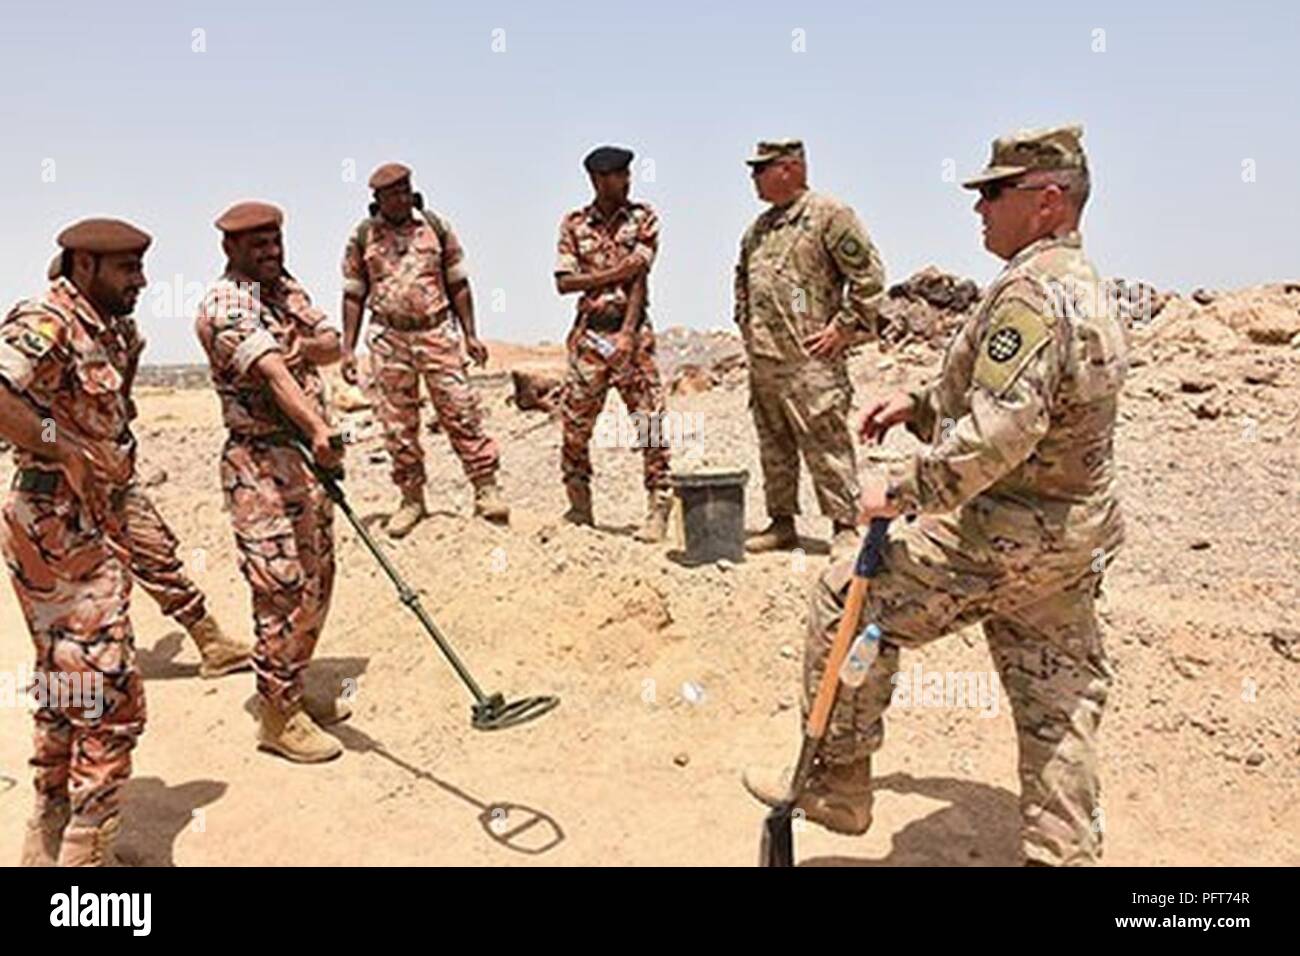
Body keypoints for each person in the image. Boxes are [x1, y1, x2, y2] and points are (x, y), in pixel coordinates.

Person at [744, 125, 1128, 867]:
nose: (978, 207)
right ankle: (1064, 851)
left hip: (1004, 534)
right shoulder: (1085, 287)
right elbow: (1034, 398)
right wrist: (918, 405)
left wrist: (904, 484)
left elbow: (1000, 434)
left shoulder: (1031, 293)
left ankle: (838, 784)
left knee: (845, 595)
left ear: (1047, 202)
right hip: (1073, 537)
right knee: (1060, 699)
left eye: (992, 192)